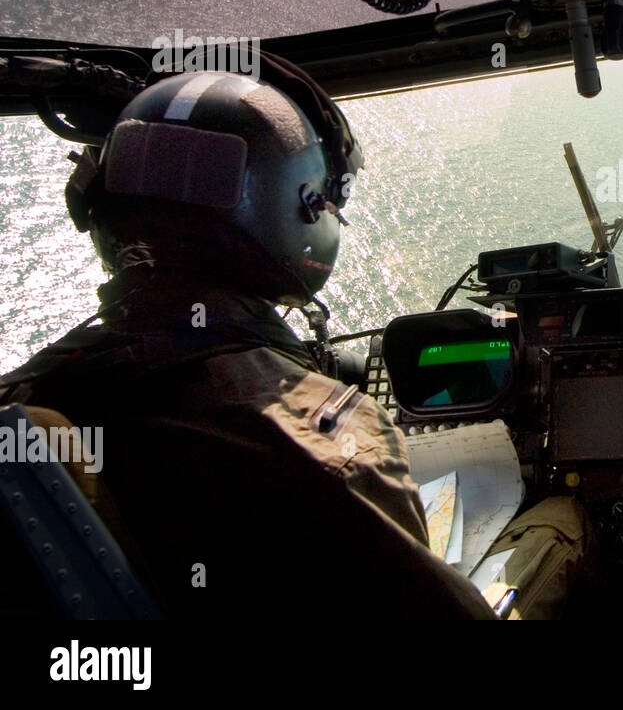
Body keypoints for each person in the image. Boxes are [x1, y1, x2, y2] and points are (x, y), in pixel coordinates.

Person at [0, 59, 496, 617]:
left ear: (101, 206)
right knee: (554, 526)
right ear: (299, 210)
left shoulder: (24, 399)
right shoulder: (318, 444)